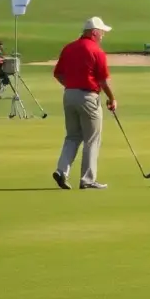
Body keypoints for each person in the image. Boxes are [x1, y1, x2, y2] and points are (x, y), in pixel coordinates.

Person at [51, 17, 117, 190]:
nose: (103, 35)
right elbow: (103, 81)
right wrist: (112, 98)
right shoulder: (96, 51)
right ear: (94, 32)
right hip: (88, 96)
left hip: (69, 95)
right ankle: (87, 179)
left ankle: (61, 170)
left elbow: (58, 74)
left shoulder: (69, 48)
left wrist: (72, 87)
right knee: (92, 139)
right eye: (101, 32)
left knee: (72, 136)